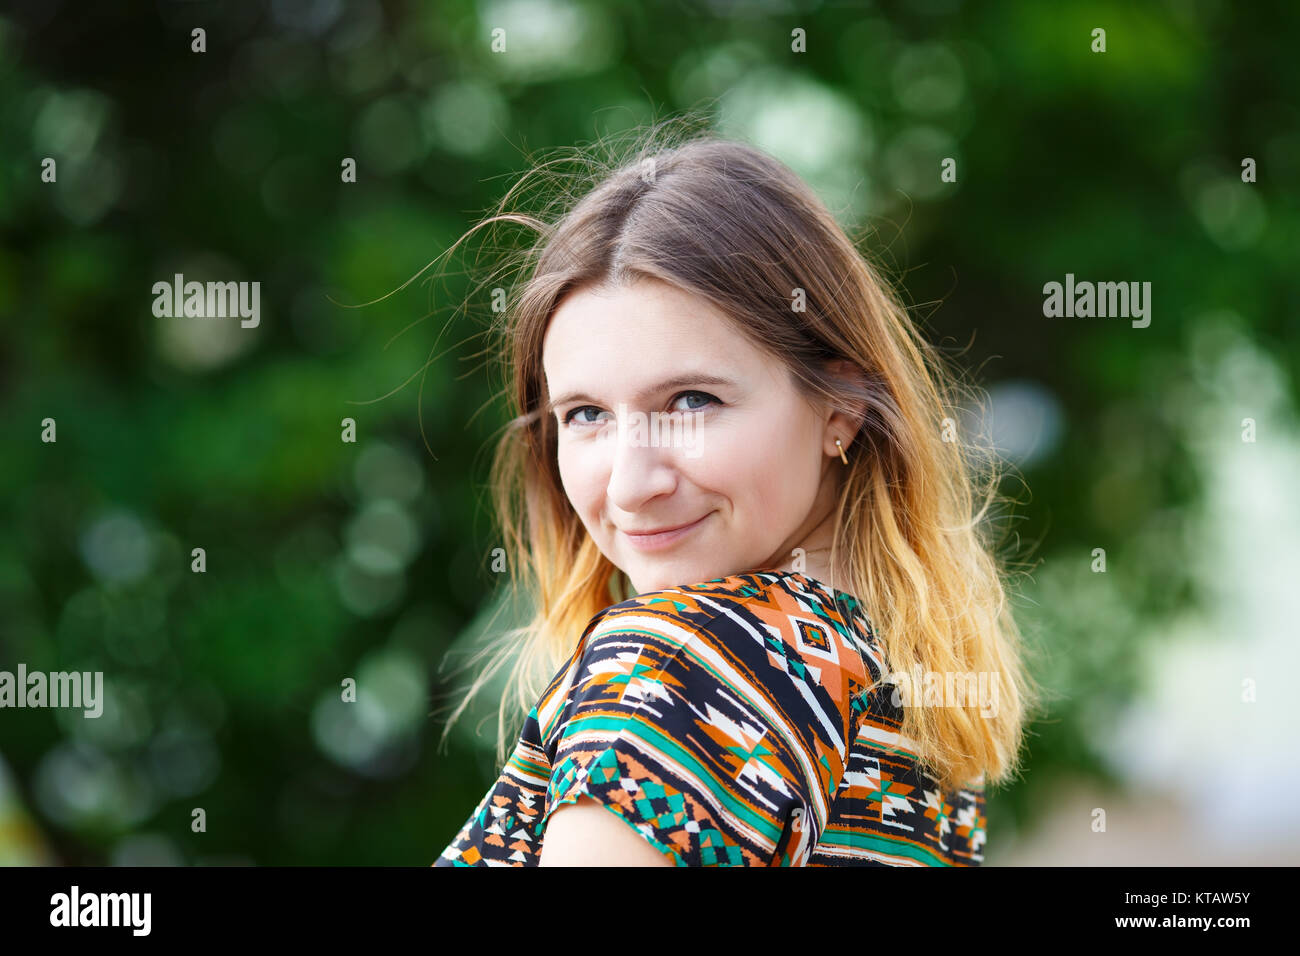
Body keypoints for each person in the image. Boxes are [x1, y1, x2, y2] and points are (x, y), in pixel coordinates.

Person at [431, 119, 1039, 866]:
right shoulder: (913, 696)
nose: (629, 485)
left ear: (839, 406)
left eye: (691, 402)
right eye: (585, 415)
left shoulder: (681, 668)